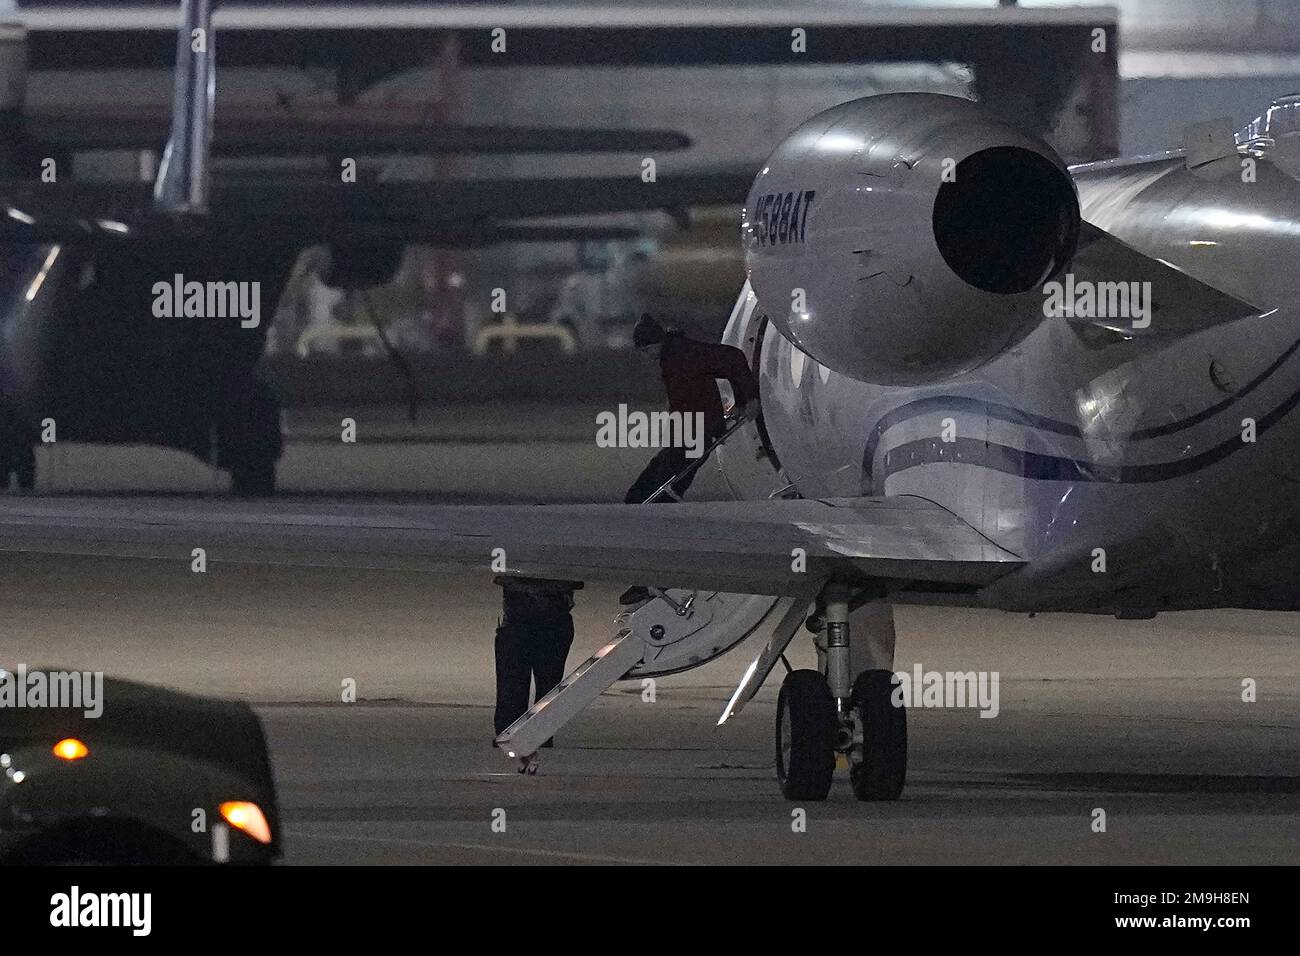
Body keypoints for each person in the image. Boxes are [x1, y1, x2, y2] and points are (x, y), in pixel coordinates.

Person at [622, 314, 759, 505]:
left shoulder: (687, 353)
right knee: (664, 466)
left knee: (672, 470)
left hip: (698, 428)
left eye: (647, 350)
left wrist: (747, 399)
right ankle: (639, 501)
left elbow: (733, 358)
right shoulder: (671, 356)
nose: (647, 356)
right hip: (687, 427)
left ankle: (651, 504)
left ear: (656, 342)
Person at [492, 576, 581, 769]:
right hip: (543, 623)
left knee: (522, 684)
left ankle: (515, 733)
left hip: (528, 623)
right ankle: (527, 734)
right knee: (542, 684)